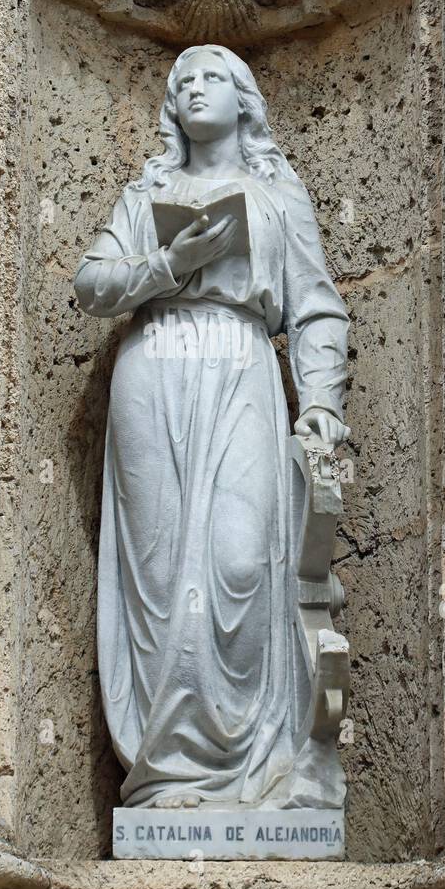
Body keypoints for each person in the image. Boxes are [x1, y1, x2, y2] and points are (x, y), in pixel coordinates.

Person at [74, 45, 350, 809]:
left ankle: (253, 768)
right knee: (162, 575)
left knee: (237, 562)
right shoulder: (149, 192)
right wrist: (167, 263)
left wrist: (322, 401)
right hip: (155, 365)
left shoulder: (274, 191)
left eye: (212, 79)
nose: (195, 90)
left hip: (241, 364)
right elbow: (92, 285)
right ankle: (171, 775)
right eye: (182, 82)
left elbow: (317, 304)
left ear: (245, 98)